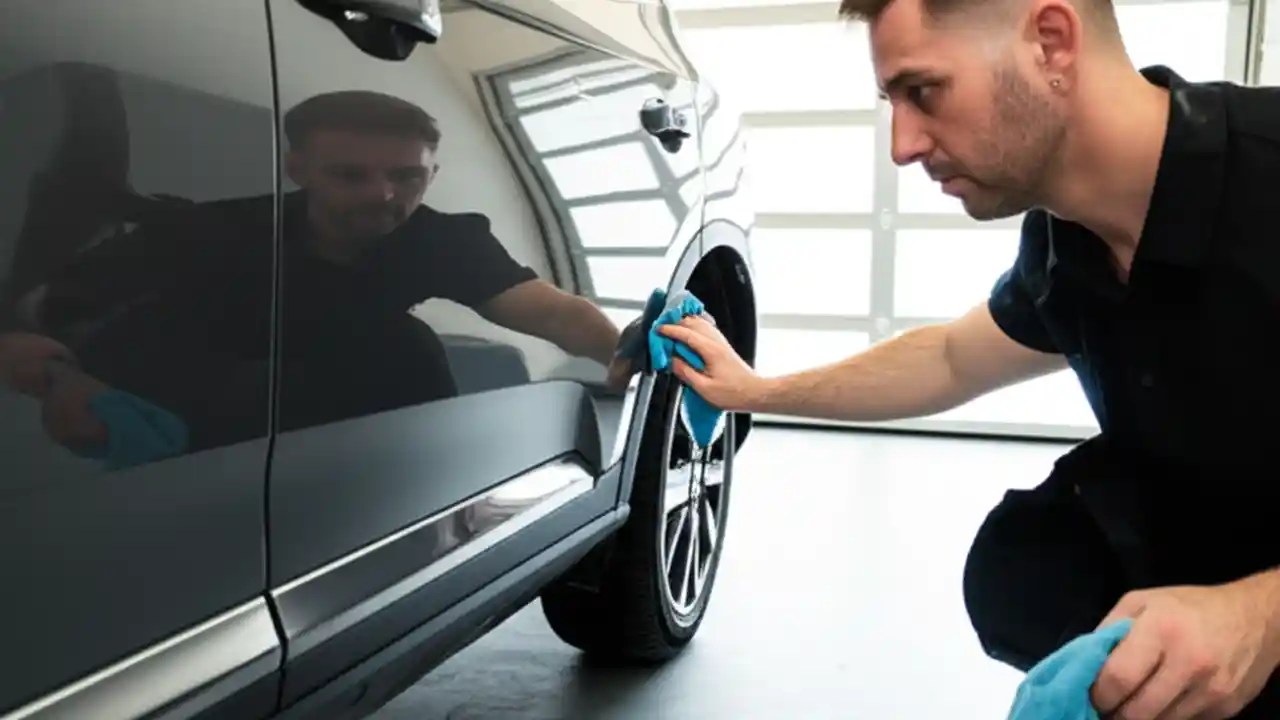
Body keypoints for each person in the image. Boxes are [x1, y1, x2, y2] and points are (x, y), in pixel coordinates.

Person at [658, 0, 1280, 716]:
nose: (901, 146)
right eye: (892, 102)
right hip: (1211, 561)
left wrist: (1256, 618)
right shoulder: (1064, 244)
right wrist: (752, 391)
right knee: (1025, 569)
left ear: (1051, 43)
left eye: (924, 91)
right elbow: (953, 358)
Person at [8, 90, 637, 451]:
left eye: (406, 176)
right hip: (190, 397)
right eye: (350, 174)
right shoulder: (208, 231)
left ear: (432, 175)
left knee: (408, 346)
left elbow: (554, 313)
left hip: (336, 426)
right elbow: (35, 310)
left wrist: (635, 366)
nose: (382, 195)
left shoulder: (443, 238)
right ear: (298, 169)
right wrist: (61, 375)